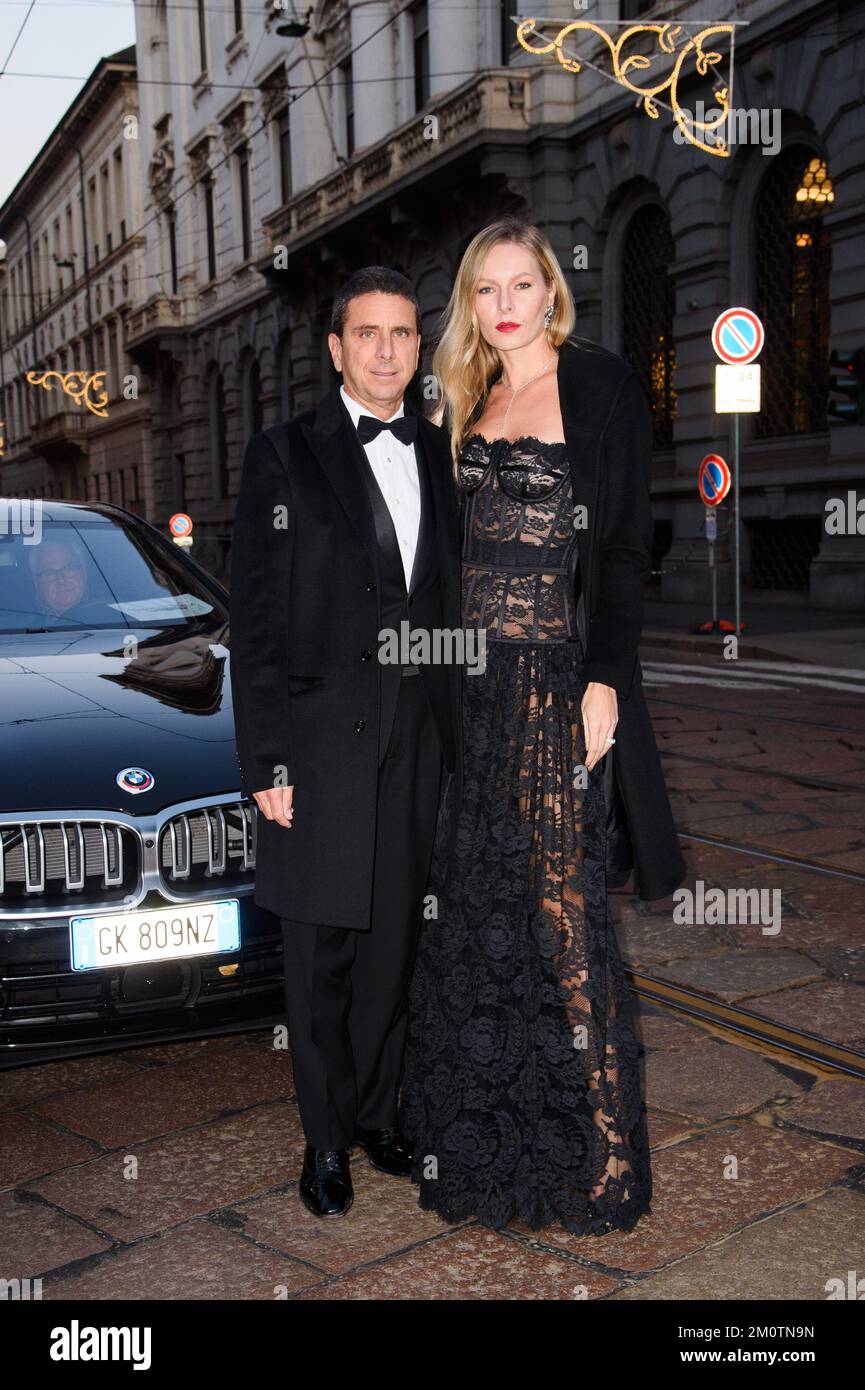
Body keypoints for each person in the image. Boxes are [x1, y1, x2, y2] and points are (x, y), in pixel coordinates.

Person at [398, 217, 687, 1236]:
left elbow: (618, 553)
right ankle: (493, 1154)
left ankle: (605, 1156)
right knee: (483, 916)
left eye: (522, 284)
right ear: (471, 303)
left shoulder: (599, 385)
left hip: (553, 685)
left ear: (550, 292)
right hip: (467, 694)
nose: (505, 304)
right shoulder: (457, 400)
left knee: (565, 914)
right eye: (486, 289)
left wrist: (604, 679)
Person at [229, 268, 462, 1217]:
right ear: (335, 348)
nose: (383, 351)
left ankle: (376, 1112)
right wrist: (267, 765)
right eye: (365, 334)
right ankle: (324, 1143)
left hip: (419, 747)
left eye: (401, 335)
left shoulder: (444, 453)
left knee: (393, 948)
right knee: (322, 954)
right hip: (318, 752)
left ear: (418, 346)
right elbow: (256, 626)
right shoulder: (283, 456)